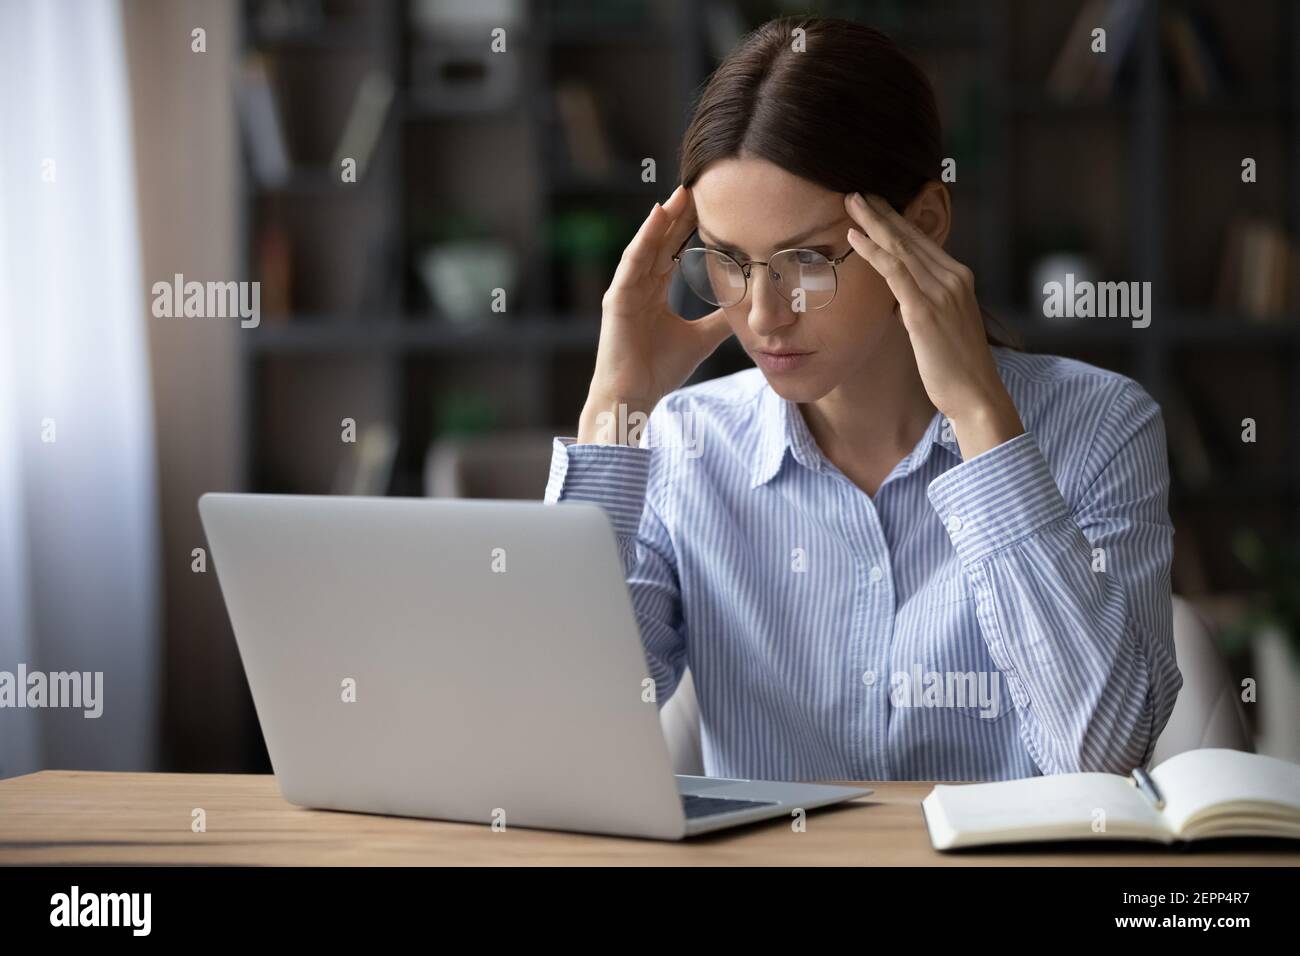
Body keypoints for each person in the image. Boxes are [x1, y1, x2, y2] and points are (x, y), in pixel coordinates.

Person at [544, 15, 1182, 782]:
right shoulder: (683, 445)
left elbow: (1104, 752)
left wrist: (984, 425)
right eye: (727, 261)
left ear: (924, 226)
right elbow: (556, 729)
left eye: (807, 260)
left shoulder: (1100, 427)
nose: (764, 313)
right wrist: (614, 405)